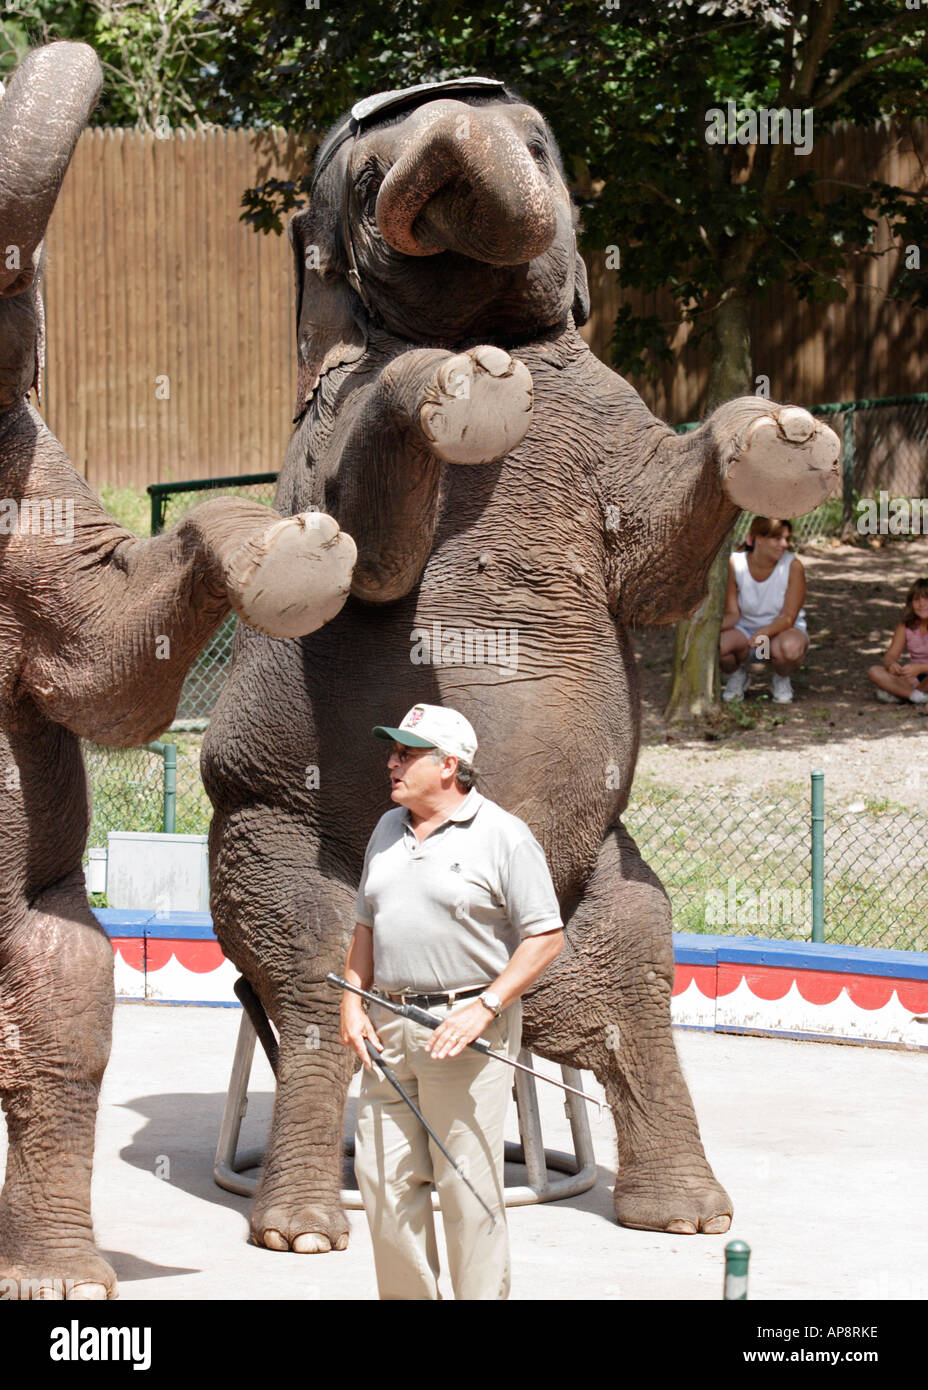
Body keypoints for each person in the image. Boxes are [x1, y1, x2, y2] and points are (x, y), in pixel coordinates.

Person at [338, 702, 564, 1301]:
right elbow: (366, 924)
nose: (392, 762)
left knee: (468, 1187)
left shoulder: (504, 836)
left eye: (406, 753)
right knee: (383, 1184)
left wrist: (485, 1006)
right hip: (387, 1031)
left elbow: (546, 935)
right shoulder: (386, 830)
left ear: (449, 764)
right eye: (393, 751)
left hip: (466, 1032)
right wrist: (353, 1004)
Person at [720, 516, 808, 704]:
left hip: (779, 633)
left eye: (786, 539)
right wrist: (710, 631)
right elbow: (732, 613)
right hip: (744, 634)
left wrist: (763, 634)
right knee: (717, 645)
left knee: (791, 649)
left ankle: (781, 677)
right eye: (777, 539)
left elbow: (788, 617)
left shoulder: (793, 567)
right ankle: (737, 675)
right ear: (758, 538)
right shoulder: (735, 563)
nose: (784, 544)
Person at [867, 577, 928, 706]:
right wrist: (891, 665)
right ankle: (917, 697)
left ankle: (903, 695)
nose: (922, 604)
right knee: (875, 671)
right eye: (917, 600)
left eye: (926, 599)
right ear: (911, 603)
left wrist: (920, 668)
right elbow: (890, 656)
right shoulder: (906, 626)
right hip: (915, 678)